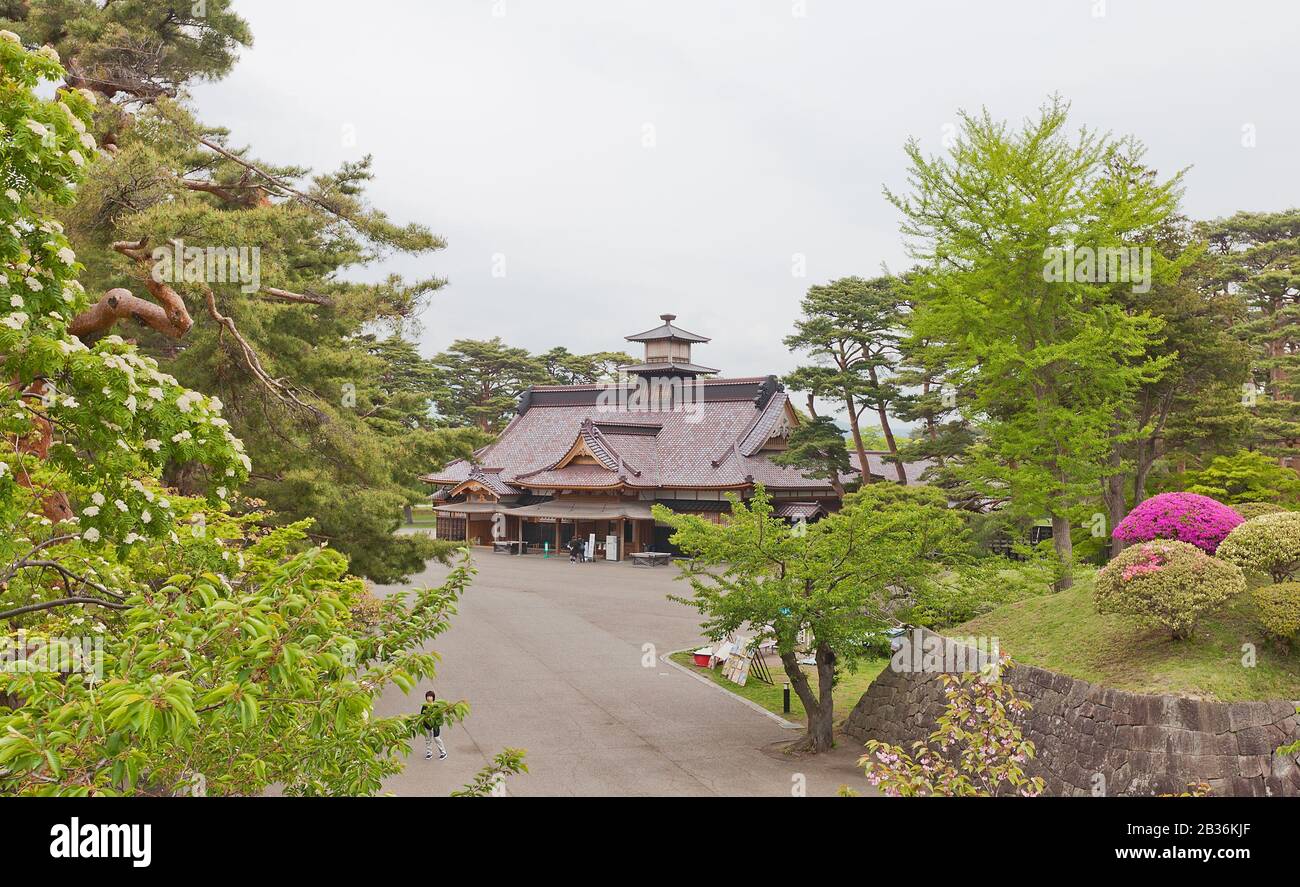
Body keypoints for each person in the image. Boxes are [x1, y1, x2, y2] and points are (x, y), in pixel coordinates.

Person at [419, 690, 447, 760]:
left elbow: (440, 716)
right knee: (427, 739)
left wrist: (437, 723)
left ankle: (443, 753)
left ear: (433, 697)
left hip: (435, 725)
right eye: (428, 696)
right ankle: (429, 753)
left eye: (430, 696)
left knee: (437, 738)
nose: (429, 698)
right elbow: (422, 715)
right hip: (427, 725)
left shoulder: (436, 706)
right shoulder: (425, 706)